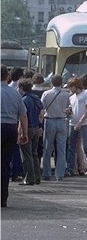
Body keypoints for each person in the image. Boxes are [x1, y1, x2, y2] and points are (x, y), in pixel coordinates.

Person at [1, 66, 29, 207]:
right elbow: (23, 115)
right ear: (7, 77)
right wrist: (24, 133)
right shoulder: (16, 94)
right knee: (5, 163)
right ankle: (3, 198)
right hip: (11, 128)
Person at [40, 74, 70, 182]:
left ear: (51, 83)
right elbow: (69, 108)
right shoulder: (66, 94)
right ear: (62, 83)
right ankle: (59, 174)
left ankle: (46, 173)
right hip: (62, 121)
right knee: (61, 149)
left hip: (50, 120)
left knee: (47, 148)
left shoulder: (46, 93)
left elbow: (42, 108)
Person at [17, 78, 43, 186]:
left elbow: (23, 117)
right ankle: (37, 177)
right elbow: (41, 114)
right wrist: (40, 126)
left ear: (22, 88)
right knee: (34, 153)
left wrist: (20, 132)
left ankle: (29, 178)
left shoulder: (23, 100)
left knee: (26, 154)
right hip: (36, 127)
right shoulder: (36, 98)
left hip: (27, 127)